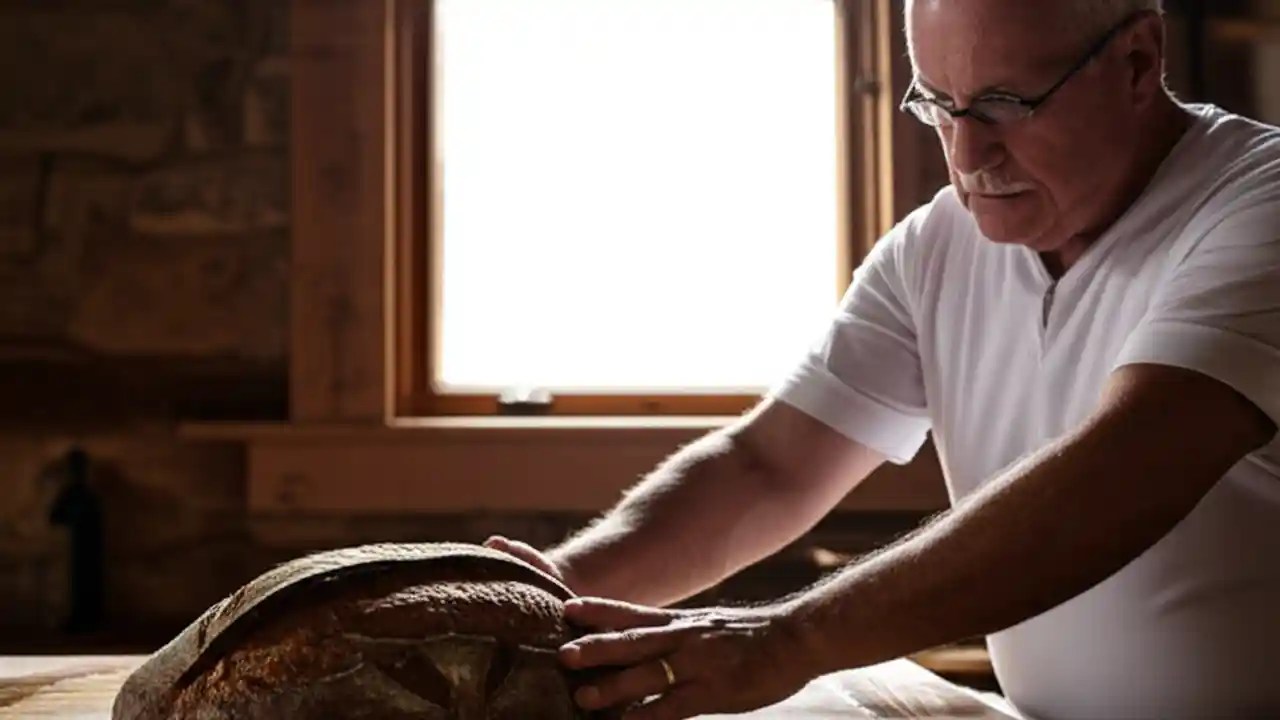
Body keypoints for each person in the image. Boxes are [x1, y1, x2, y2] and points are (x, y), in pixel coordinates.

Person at [488, 0, 1280, 717]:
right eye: (939, 103)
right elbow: (768, 466)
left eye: (1007, 104)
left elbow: (1125, 471)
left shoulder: (1259, 205)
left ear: (1139, 61)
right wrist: (534, 598)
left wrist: (783, 641)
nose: (968, 152)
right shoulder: (934, 248)